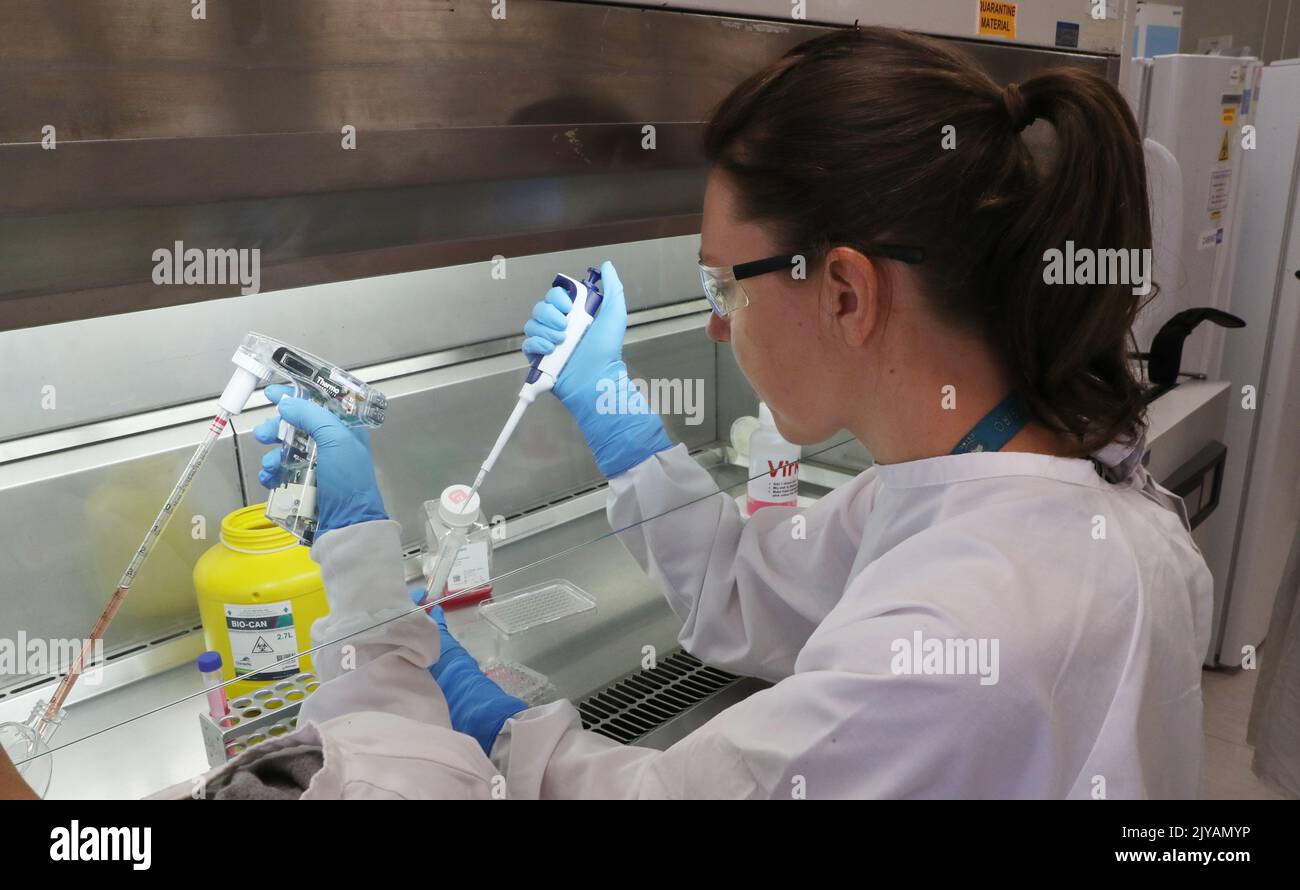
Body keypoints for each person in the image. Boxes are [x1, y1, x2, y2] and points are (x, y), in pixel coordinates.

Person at [228, 25, 1210, 799]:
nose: (715, 325)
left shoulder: (954, 634)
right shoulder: (1021, 492)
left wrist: (471, 699)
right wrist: (610, 407)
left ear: (845, 293)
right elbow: (756, 589)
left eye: (723, 284)